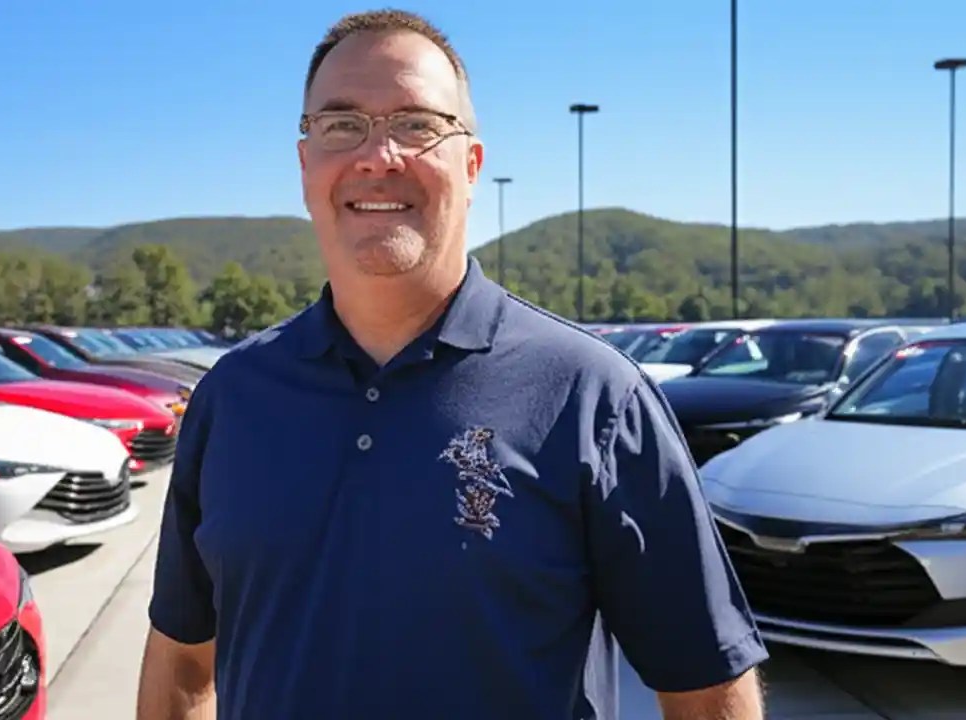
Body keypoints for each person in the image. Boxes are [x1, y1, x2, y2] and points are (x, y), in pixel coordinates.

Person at [136, 9, 768, 720]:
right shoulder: (234, 395)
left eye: (416, 124)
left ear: (471, 166)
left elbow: (707, 688)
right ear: (305, 161)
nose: (379, 156)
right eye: (342, 125)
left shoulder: (593, 395)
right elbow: (185, 660)